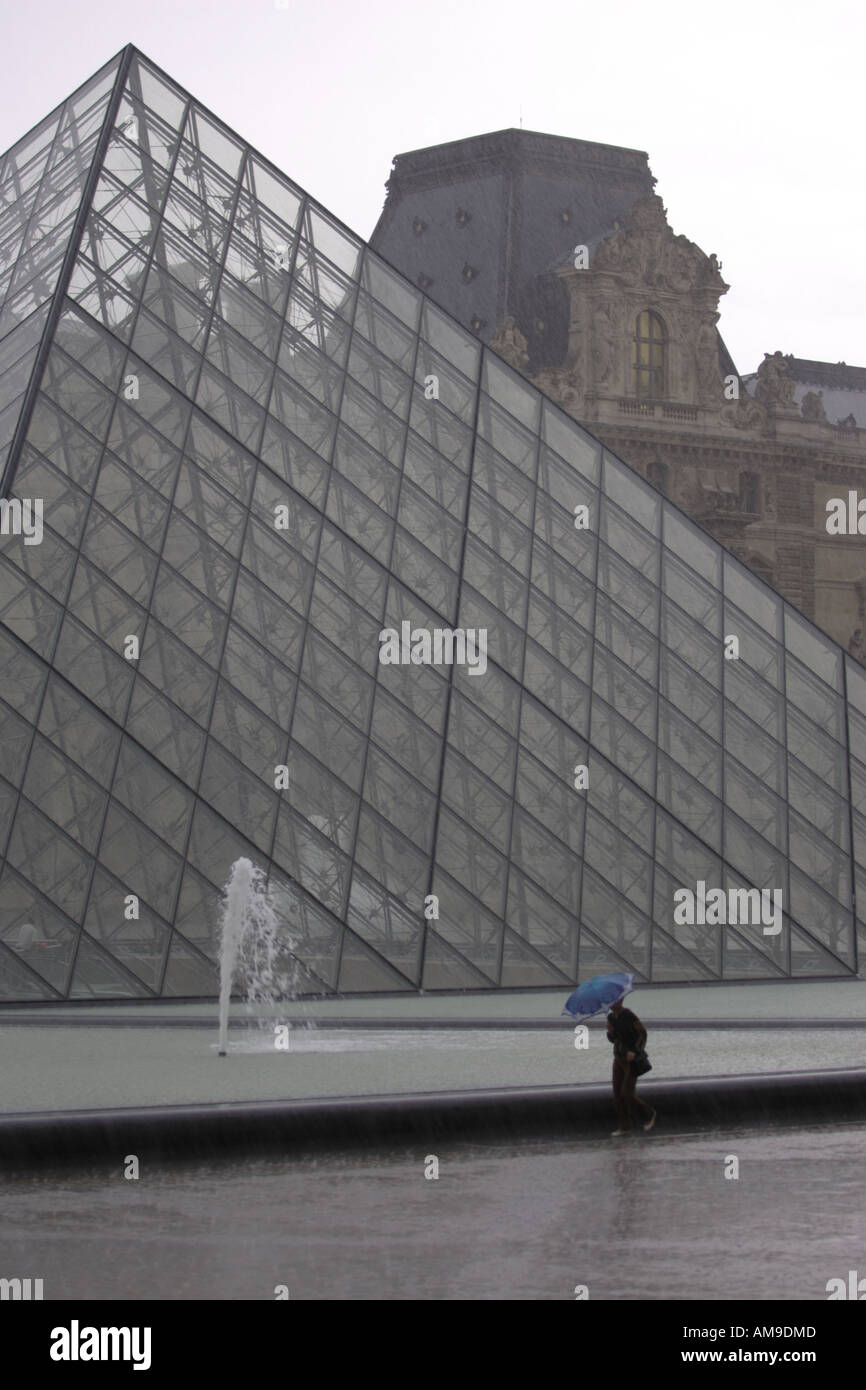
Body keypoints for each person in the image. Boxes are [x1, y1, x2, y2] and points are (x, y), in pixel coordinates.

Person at [606, 997, 656, 1136]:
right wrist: (609, 1032)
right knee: (617, 1094)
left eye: (614, 1001)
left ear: (620, 1001)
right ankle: (624, 1126)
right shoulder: (611, 1018)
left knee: (626, 1093)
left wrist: (634, 1051)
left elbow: (642, 1033)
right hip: (618, 1058)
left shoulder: (629, 1016)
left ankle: (648, 1113)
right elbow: (614, 1039)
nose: (611, 1004)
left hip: (631, 1061)